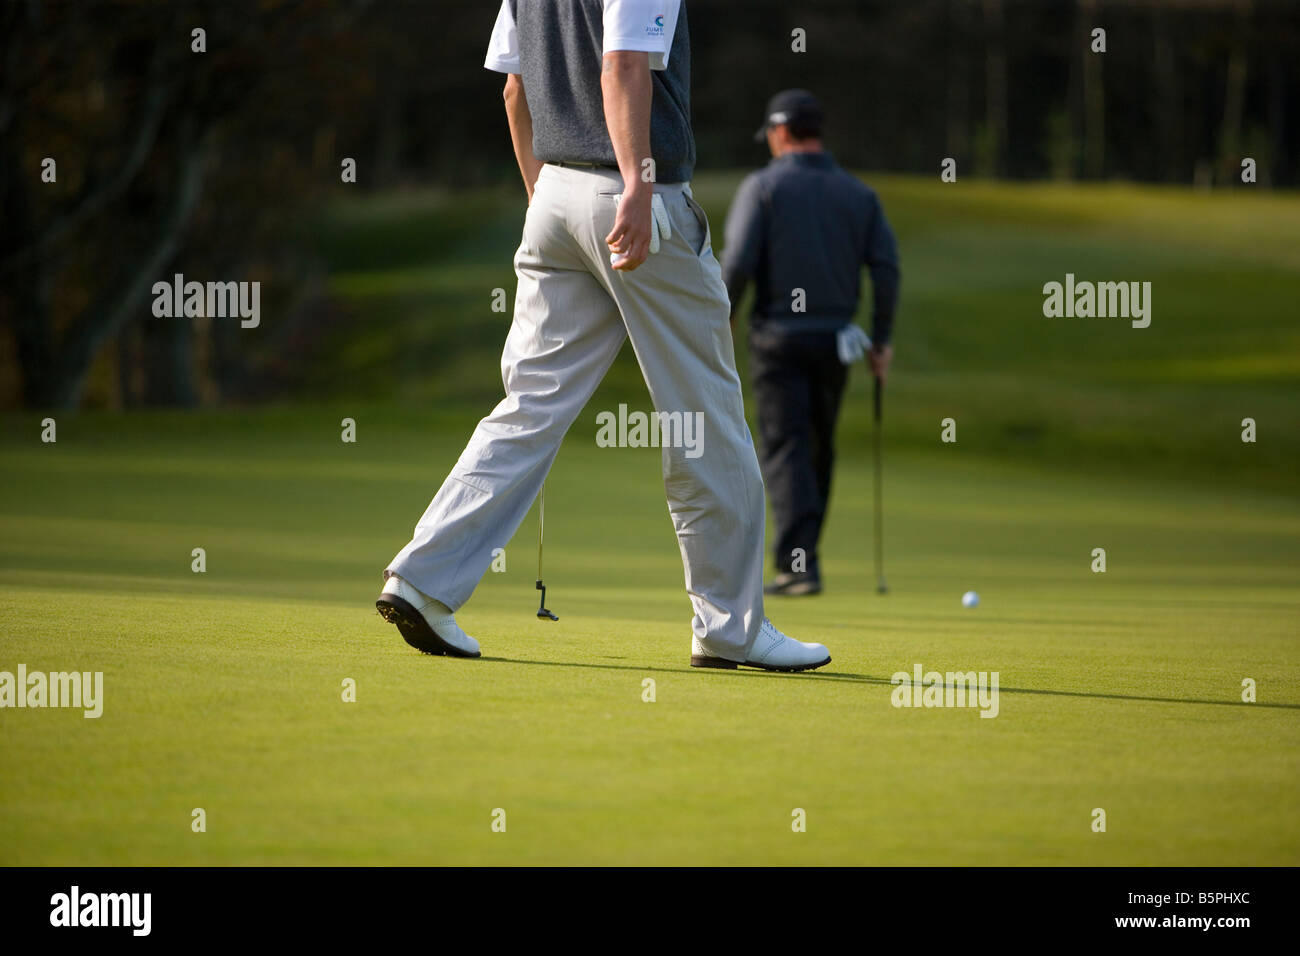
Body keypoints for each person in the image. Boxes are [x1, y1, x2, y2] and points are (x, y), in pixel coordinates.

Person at [375, 2, 831, 672]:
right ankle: (730, 626)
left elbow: (515, 86)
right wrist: (638, 188)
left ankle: (423, 581)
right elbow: (622, 67)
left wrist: (545, 201)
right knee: (704, 416)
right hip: (629, 192)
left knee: (528, 407)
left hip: (554, 194)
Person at [722, 89, 900, 596]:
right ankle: (803, 560)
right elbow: (886, 270)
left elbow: (736, 264)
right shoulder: (859, 194)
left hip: (778, 338)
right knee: (818, 447)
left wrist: (723, 318)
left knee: (787, 449)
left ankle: (798, 567)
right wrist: (881, 341)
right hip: (835, 342)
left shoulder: (762, 187)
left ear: (779, 133)